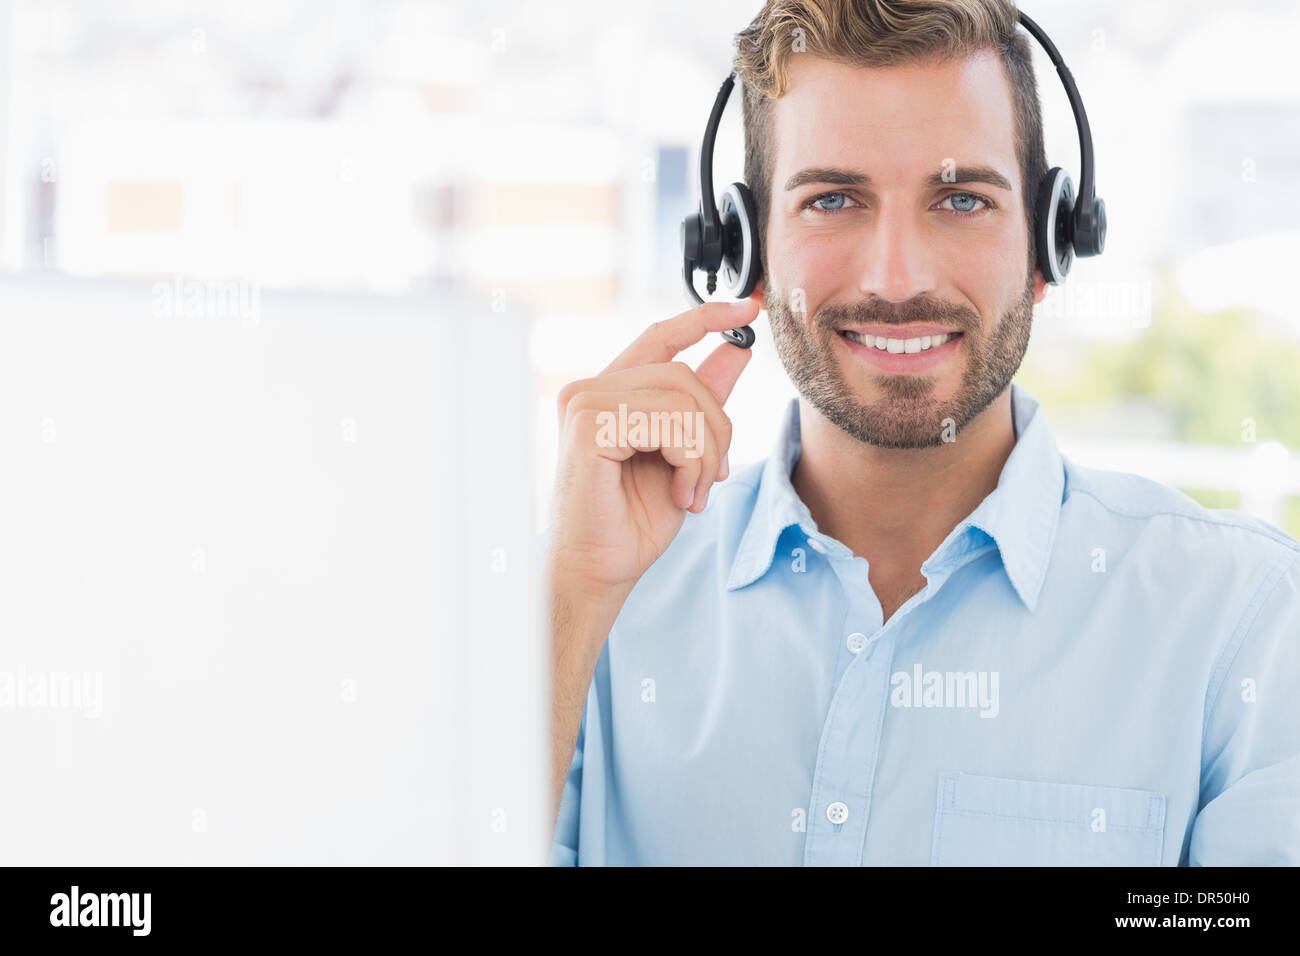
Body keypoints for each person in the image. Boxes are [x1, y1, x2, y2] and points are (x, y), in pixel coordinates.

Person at [544, 0, 1300, 865]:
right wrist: (572, 596)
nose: (896, 278)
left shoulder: (1245, 625)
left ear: (1050, 243)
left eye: (961, 199)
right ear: (745, 246)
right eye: (832, 199)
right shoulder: (599, 603)